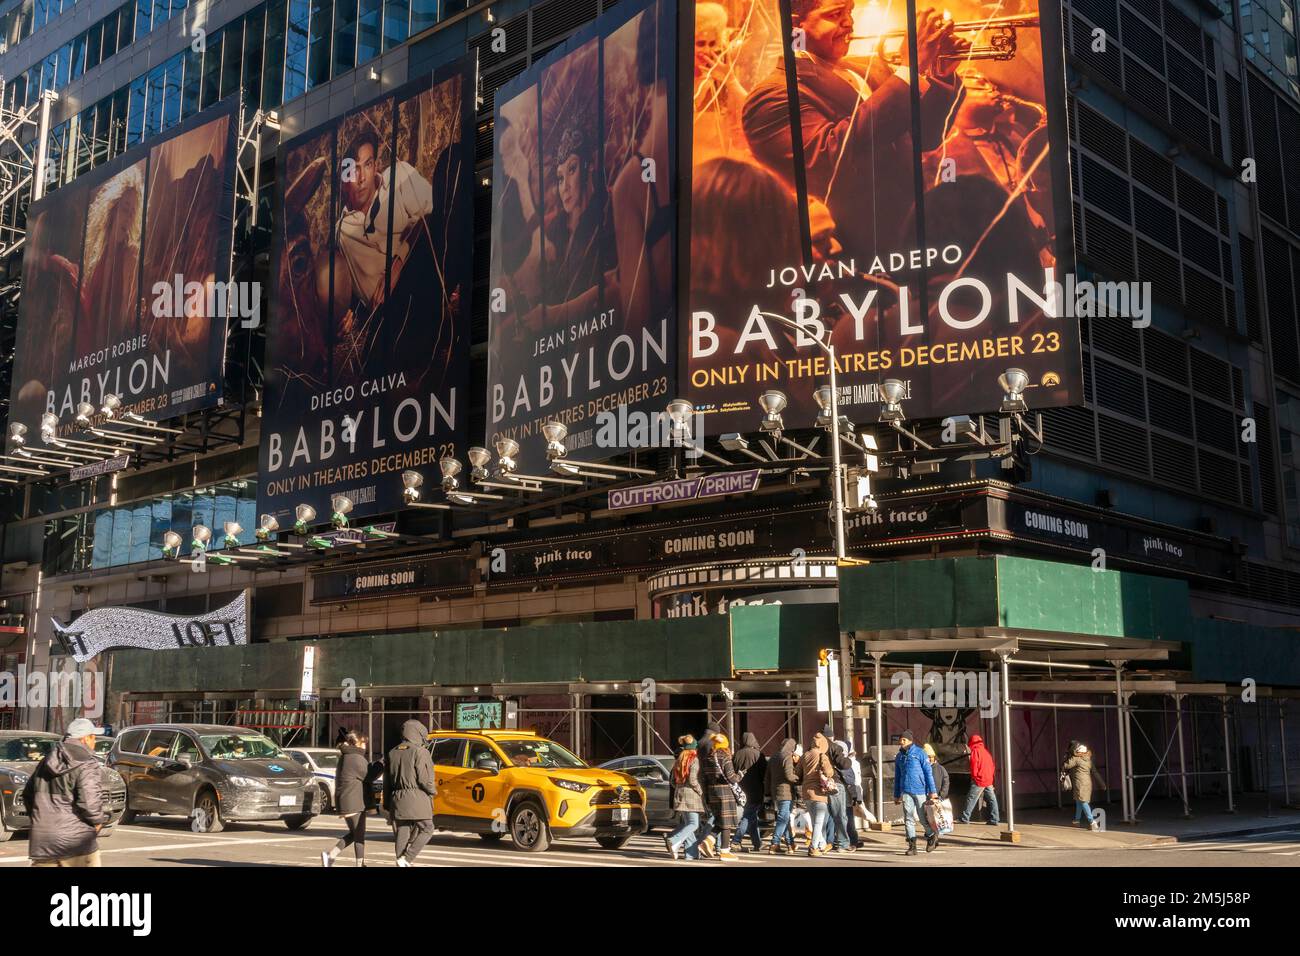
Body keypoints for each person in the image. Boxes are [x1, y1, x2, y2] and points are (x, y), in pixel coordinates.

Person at [741, 1, 965, 261]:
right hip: (852, 253)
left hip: (912, 235)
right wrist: (908, 71)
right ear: (795, 25)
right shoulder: (774, 95)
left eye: (849, 12)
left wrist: (941, 74)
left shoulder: (869, 68)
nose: (849, 22)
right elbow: (831, 156)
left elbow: (924, 138)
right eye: (835, 14)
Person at [23, 718, 110, 867]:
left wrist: (41, 819)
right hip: (76, 843)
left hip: (44, 842)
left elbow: (28, 795)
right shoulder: (87, 763)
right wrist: (98, 821)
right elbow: (90, 803)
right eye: (93, 737)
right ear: (85, 739)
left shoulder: (46, 761)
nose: (94, 742)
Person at [384, 719, 437, 867]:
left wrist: (387, 803)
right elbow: (425, 779)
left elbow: (386, 782)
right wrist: (433, 791)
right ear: (418, 734)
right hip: (417, 797)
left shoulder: (392, 752)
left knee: (403, 829)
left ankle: (401, 862)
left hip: (397, 798)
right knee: (428, 828)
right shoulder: (420, 751)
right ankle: (407, 859)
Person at [322, 730, 374, 867]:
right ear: (356, 742)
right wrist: (381, 764)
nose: (365, 746)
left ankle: (331, 855)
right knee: (359, 836)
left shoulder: (346, 756)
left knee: (354, 834)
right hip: (354, 801)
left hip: (346, 800)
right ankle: (359, 864)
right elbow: (370, 776)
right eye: (363, 743)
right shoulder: (356, 758)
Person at [893, 729, 937, 856]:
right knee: (908, 818)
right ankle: (912, 846)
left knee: (923, 818)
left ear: (910, 741)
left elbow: (928, 773)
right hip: (906, 791)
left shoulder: (920, 753)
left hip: (920, 791)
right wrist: (897, 795)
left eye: (904, 740)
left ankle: (931, 835)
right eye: (900, 740)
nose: (901, 742)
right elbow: (897, 776)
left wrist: (932, 791)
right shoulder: (900, 756)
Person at [698, 733, 741, 861]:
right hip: (724, 792)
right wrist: (740, 775)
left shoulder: (707, 759)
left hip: (712, 791)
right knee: (726, 823)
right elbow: (732, 778)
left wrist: (706, 796)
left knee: (719, 821)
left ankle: (709, 841)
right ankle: (725, 852)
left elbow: (703, 778)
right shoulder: (725, 757)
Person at [665, 735, 706, 860]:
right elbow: (693, 780)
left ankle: (691, 854)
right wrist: (700, 791)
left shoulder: (679, 759)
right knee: (694, 824)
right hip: (691, 796)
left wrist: (679, 787)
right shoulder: (694, 759)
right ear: (694, 748)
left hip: (680, 794)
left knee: (688, 824)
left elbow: (672, 780)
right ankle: (673, 840)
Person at [800, 732, 835, 857]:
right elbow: (829, 773)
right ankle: (813, 847)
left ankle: (822, 844)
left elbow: (798, 773)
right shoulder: (822, 755)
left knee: (815, 821)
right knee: (818, 823)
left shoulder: (805, 755)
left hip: (806, 792)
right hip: (819, 793)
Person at [731, 731, 767, 851]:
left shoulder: (737, 754)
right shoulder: (758, 755)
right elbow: (764, 774)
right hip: (756, 790)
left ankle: (757, 843)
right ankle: (736, 841)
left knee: (751, 816)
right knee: (748, 816)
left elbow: (733, 772)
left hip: (741, 790)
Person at [822, 725, 854, 853]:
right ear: (832, 737)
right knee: (840, 815)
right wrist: (849, 759)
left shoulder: (813, 748)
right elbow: (843, 764)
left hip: (818, 784)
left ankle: (823, 842)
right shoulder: (834, 747)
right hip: (834, 784)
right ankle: (842, 843)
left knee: (824, 816)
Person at [765, 738, 800, 853]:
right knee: (783, 819)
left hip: (776, 792)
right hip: (786, 792)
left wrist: (768, 793)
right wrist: (799, 778)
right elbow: (789, 776)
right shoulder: (787, 757)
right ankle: (774, 844)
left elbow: (767, 777)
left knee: (784, 819)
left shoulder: (774, 757)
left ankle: (791, 844)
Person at [1062, 743, 1107, 831]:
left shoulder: (1076, 759)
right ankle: (1076, 821)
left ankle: (1092, 822)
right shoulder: (1088, 760)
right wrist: (1102, 784)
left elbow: (1066, 765)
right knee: (1079, 801)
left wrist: (1067, 757)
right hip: (1087, 783)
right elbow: (1095, 772)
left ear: (1079, 752)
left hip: (1079, 784)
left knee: (1083, 802)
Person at [958, 733, 1000, 825]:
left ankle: (965, 818)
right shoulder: (986, 752)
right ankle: (995, 819)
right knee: (992, 799)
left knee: (971, 798)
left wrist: (975, 777)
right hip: (988, 779)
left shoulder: (975, 751)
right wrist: (991, 779)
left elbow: (974, 766)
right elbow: (992, 766)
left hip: (979, 780)